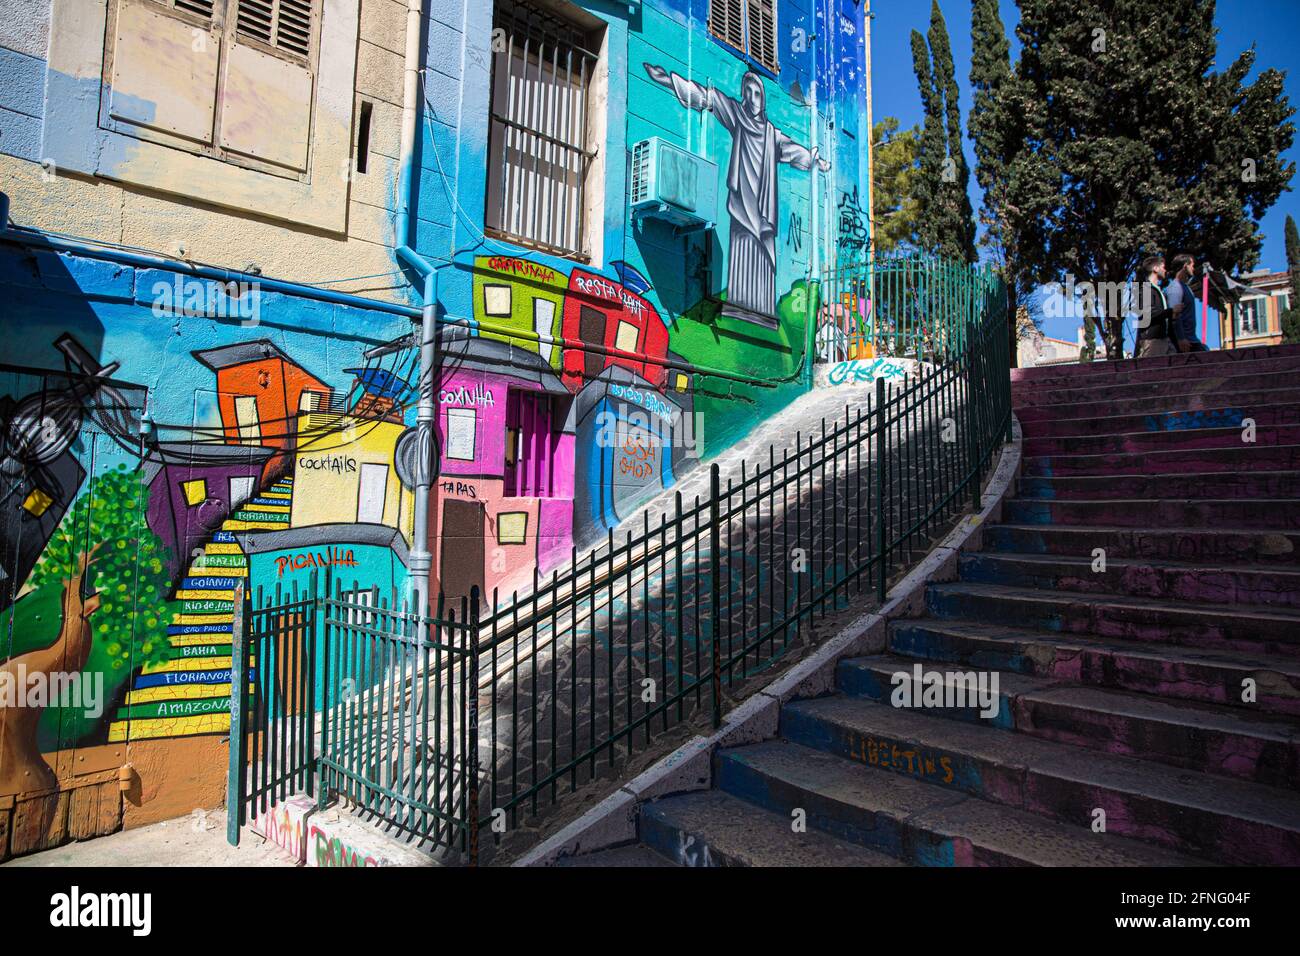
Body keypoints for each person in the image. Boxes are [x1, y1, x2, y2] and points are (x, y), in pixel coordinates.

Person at [643, 63, 830, 322]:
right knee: (743, 248)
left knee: (764, 252)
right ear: (743, 95)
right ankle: (740, 305)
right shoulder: (736, 115)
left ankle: (763, 311)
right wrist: (667, 80)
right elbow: (707, 97)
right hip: (743, 201)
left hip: (764, 207)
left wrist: (816, 161)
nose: (752, 99)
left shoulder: (772, 134)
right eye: (748, 92)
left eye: (757, 94)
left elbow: (794, 152)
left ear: (763, 100)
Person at [1134, 255, 1184, 358]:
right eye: (1163, 267)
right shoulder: (1146, 289)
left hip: (1166, 341)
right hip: (1153, 342)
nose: (1165, 270)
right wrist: (1171, 311)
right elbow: (1148, 313)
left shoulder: (1158, 291)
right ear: (1155, 269)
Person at [1164, 253, 1208, 352]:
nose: (1193, 268)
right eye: (1192, 265)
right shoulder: (1175, 287)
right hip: (1184, 342)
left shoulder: (1186, 287)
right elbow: (1175, 315)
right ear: (1185, 266)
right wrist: (1180, 338)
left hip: (1191, 340)